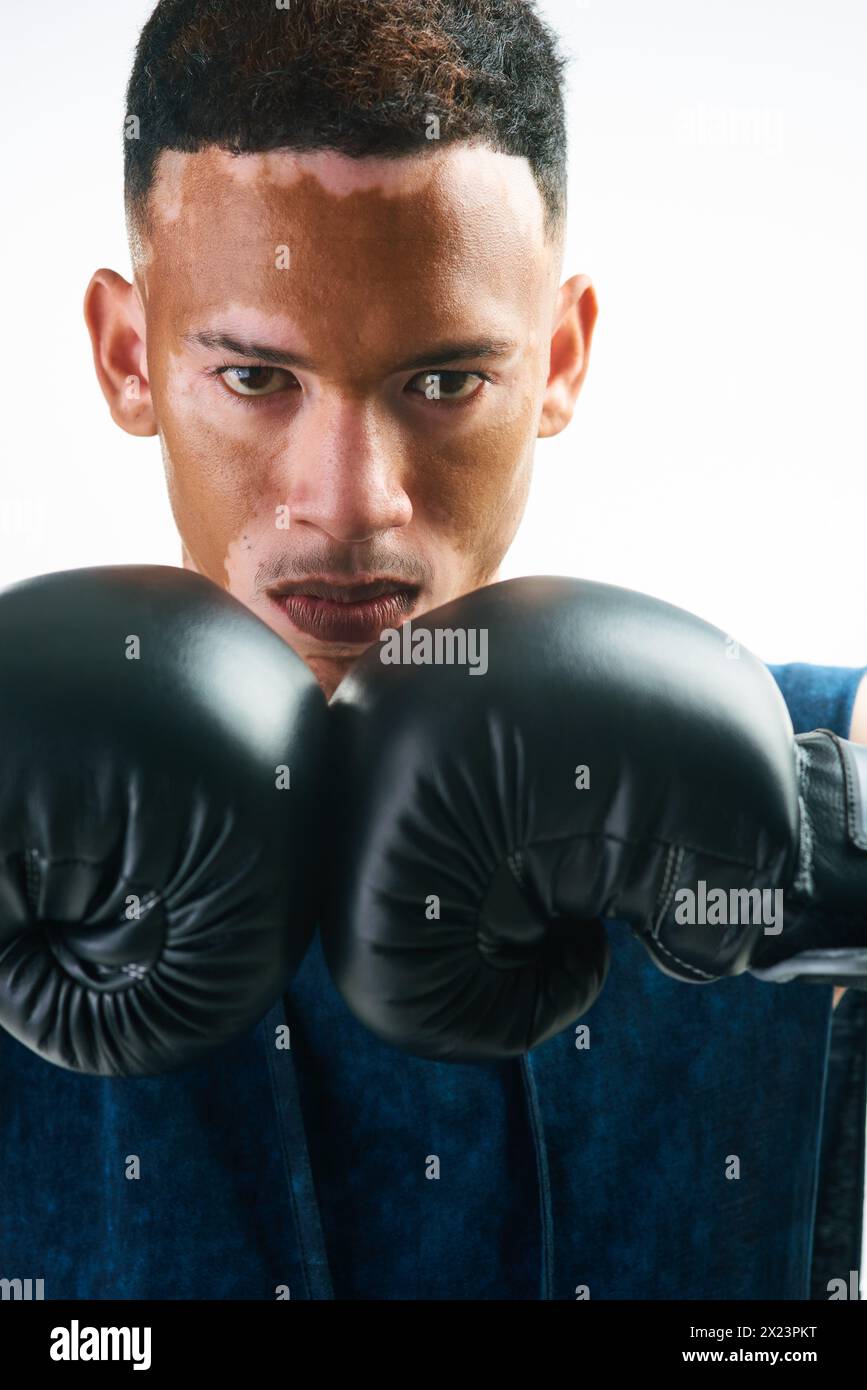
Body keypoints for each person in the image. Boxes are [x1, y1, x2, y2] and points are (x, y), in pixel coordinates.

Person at [2, 0, 865, 1300]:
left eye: (446, 381)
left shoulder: (767, 756)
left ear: (561, 358)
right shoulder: (22, 792)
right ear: (129, 357)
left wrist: (819, 835)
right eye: (254, 379)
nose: (349, 502)